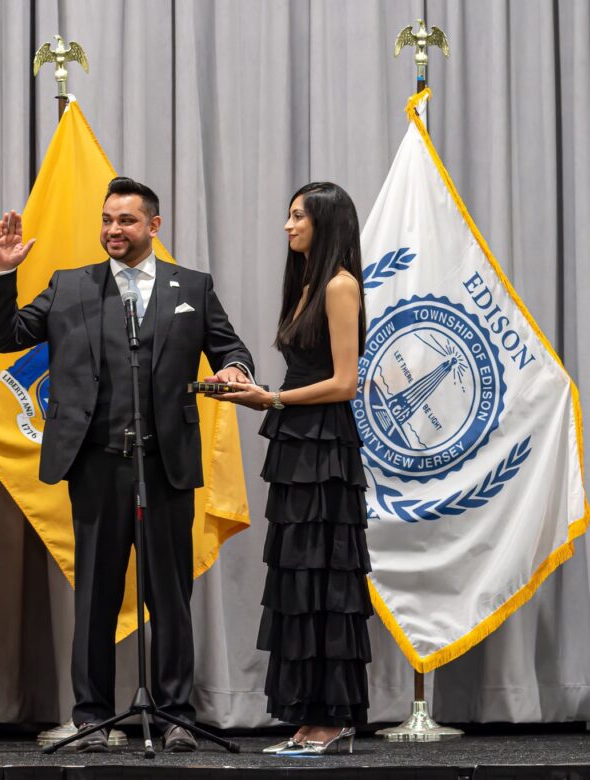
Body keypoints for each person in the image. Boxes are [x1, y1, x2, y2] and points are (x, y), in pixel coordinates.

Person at [0, 177, 255, 753]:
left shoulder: (192, 288)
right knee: (97, 595)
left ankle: (178, 714)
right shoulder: (72, 285)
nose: (113, 230)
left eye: (126, 221)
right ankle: (91, 718)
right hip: (97, 465)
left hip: (166, 466)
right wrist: (3, 274)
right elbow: (6, 337)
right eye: (107, 219)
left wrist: (234, 371)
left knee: (170, 595)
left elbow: (231, 348)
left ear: (153, 226)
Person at [216, 182, 372, 756]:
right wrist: (259, 395)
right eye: (287, 215)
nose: (288, 226)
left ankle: (331, 718)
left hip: (324, 448)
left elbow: (344, 382)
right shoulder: (307, 283)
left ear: (325, 223)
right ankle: (309, 717)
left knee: (325, 579)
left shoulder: (339, 285)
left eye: (297, 216)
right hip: (296, 444)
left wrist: (273, 399)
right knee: (297, 579)